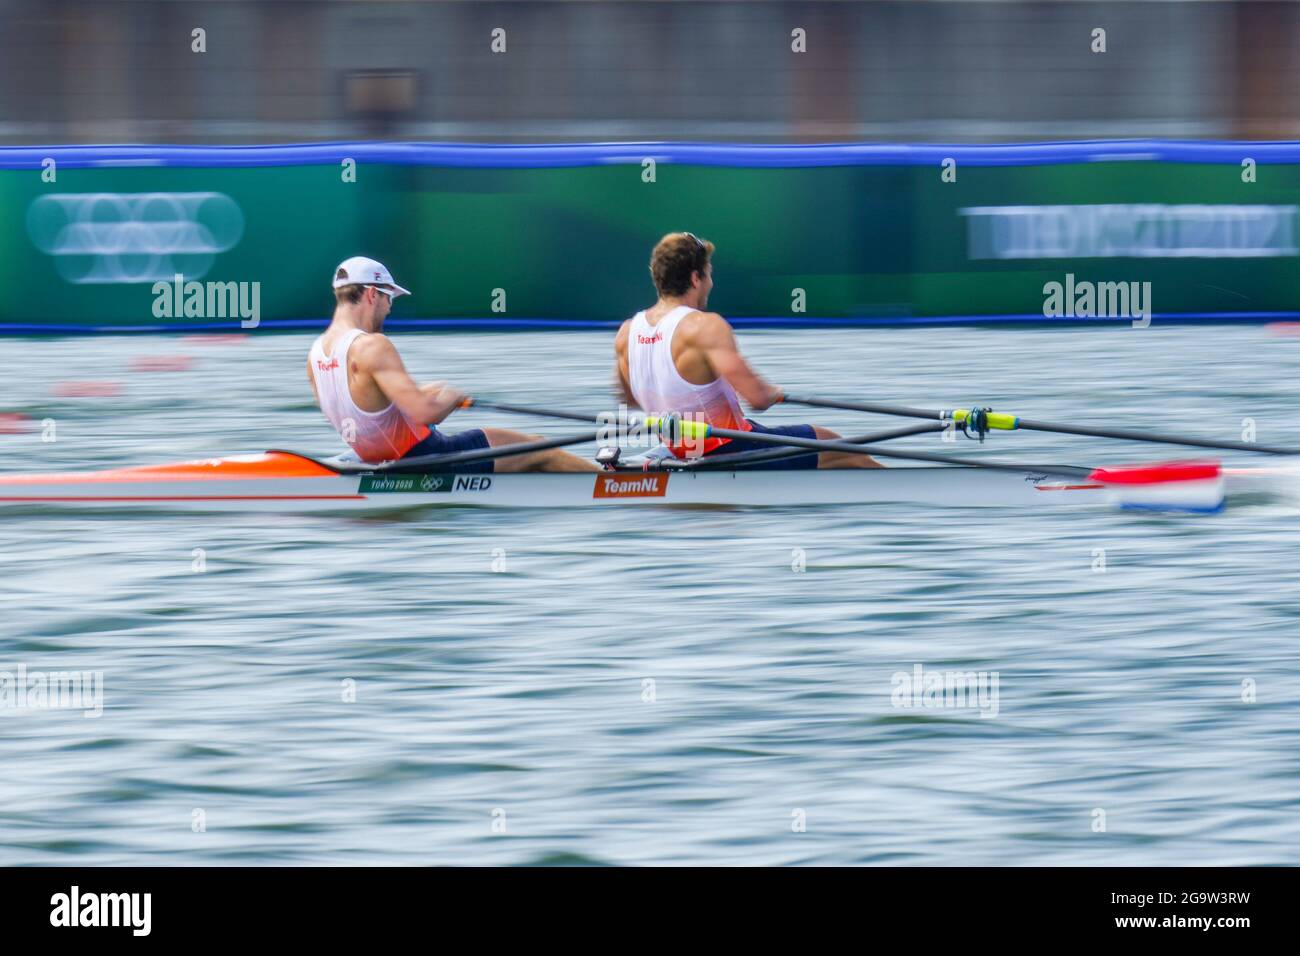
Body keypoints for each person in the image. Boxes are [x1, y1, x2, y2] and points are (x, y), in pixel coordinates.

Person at [613, 234, 881, 469]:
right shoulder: (704, 326)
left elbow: (629, 400)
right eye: (709, 274)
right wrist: (772, 392)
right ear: (696, 278)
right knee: (838, 446)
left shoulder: (627, 332)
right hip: (729, 449)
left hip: (677, 449)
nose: (711, 284)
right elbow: (758, 399)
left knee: (819, 447)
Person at [308, 256, 599, 472]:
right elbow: (423, 413)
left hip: (376, 457)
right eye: (388, 298)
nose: (389, 307)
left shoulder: (316, 354)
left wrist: (425, 392)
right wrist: (451, 398)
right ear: (372, 293)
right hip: (427, 457)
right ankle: (611, 485)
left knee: (438, 398)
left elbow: (367, 410)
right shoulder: (372, 346)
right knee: (540, 447)